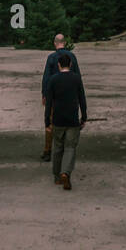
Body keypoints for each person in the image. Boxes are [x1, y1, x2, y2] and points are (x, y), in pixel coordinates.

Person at [44, 51, 87, 191]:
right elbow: (82, 99)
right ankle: (65, 172)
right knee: (70, 148)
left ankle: (57, 177)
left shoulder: (53, 80)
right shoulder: (76, 79)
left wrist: (47, 122)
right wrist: (84, 116)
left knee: (57, 148)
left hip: (58, 119)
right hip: (72, 119)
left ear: (58, 65)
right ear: (70, 64)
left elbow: (49, 103)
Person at [39, 33, 80, 161]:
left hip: (55, 96)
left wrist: (44, 94)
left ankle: (47, 151)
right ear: (65, 42)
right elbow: (77, 77)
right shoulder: (72, 57)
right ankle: (67, 151)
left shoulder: (51, 58)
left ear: (54, 43)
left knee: (50, 123)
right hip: (71, 96)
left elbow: (46, 78)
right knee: (70, 124)